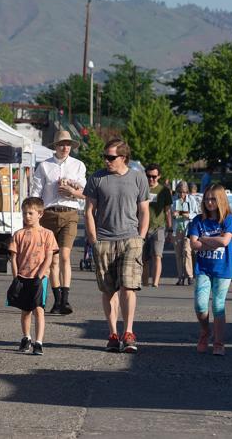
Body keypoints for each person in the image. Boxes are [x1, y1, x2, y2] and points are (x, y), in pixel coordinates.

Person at [84, 139, 150, 353]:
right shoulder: (97, 178)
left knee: (128, 286)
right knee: (108, 289)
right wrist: (94, 240)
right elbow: (89, 211)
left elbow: (144, 211)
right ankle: (113, 333)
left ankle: (128, 332)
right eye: (105, 156)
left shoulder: (138, 177)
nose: (106, 160)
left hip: (130, 239)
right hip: (104, 240)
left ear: (123, 158)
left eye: (111, 157)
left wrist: (140, 238)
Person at [29, 130, 86, 314]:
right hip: (49, 213)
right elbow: (35, 193)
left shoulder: (78, 165)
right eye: (62, 144)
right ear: (55, 146)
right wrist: (33, 215)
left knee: (65, 256)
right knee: (52, 260)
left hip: (70, 213)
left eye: (68, 144)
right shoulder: (44, 166)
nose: (65, 147)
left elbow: (84, 193)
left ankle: (66, 299)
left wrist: (71, 191)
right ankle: (58, 300)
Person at [188, 184, 232, 356]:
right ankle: (205, 332)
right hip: (203, 268)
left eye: (213, 199)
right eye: (207, 198)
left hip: (223, 269)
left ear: (221, 200)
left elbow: (225, 242)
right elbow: (193, 244)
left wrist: (204, 238)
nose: (209, 202)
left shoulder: (228, 220)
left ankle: (219, 342)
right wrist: (214, 239)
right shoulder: (197, 220)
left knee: (218, 305)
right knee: (200, 305)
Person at [8, 197, 58, 356]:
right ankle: (26, 337)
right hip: (23, 276)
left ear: (40, 214)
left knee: (39, 309)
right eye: (24, 213)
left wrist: (40, 274)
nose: (27, 216)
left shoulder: (47, 234)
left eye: (30, 213)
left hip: (40, 278)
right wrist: (16, 276)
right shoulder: (19, 234)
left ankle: (39, 342)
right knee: (25, 310)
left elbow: (49, 257)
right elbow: (13, 257)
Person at [141, 164, 172, 288]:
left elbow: (168, 211)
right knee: (144, 259)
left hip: (158, 227)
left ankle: (155, 282)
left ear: (159, 176)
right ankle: (145, 283)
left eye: (154, 176)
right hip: (142, 227)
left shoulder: (163, 190)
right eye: (148, 176)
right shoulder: (141, 188)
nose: (151, 179)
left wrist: (170, 229)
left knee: (157, 255)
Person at [171, 181, 194, 285]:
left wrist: (184, 214)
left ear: (187, 192)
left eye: (184, 192)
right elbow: (171, 215)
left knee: (187, 251)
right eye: (180, 192)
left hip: (188, 229)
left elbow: (195, 214)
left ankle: (190, 276)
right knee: (178, 254)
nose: (182, 194)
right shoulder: (174, 200)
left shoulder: (191, 200)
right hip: (177, 229)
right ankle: (181, 277)